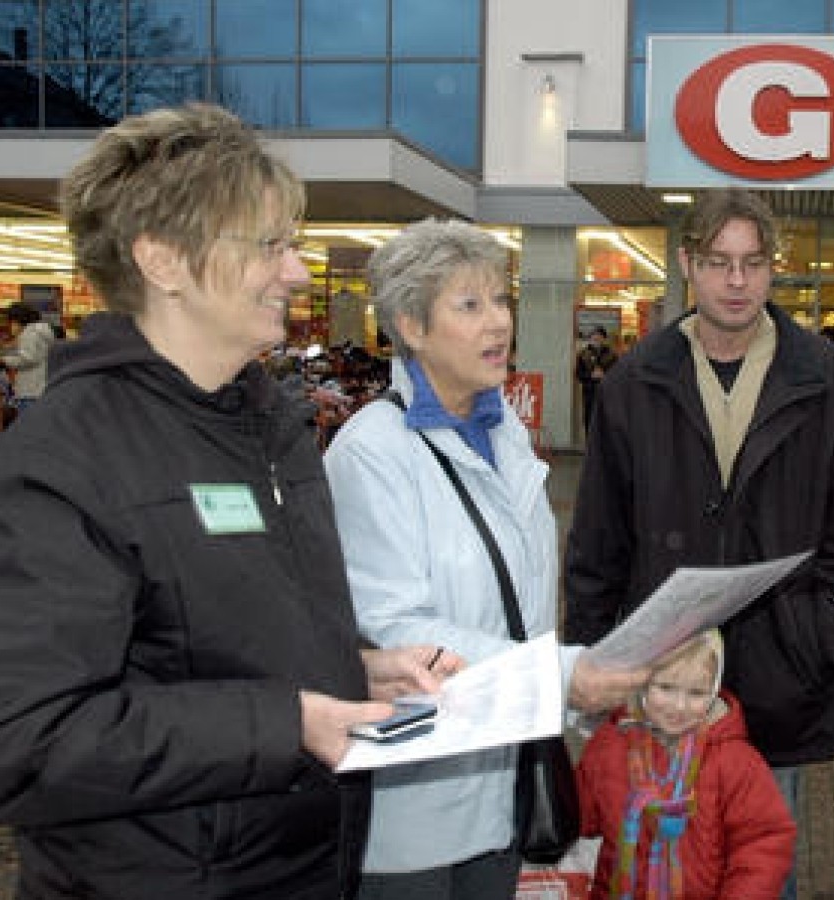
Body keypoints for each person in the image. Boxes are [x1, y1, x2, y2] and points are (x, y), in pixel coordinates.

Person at [0, 103, 452, 900]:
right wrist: (290, 723)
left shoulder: (272, 428)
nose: (297, 271)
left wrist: (348, 672)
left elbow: (202, 647)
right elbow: (11, 747)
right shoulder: (58, 465)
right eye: (270, 245)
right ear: (163, 260)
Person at [563, 186, 834, 900]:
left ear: (775, 267)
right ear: (687, 264)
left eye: (752, 262)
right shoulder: (635, 380)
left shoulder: (824, 378)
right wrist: (589, 667)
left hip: (777, 683)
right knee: (648, 871)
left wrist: (823, 636)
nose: (736, 281)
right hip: (658, 689)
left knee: (760, 870)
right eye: (717, 262)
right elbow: (598, 540)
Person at [322, 218, 648, 900]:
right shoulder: (371, 451)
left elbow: (522, 608)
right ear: (411, 326)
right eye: (470, 305)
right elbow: (394, 626)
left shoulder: (505, 437)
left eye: (501, 299)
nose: (498, 321)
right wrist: (562, 676)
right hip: (411, 805)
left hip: (501, 787)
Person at [577, 630, 795, 900]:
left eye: (697, 693)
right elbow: (577, 816)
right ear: (642, 682)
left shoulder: (735, 761)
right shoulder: (610, 745)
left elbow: (763, 843)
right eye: (666, 687)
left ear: (715, 691)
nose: (679, 706)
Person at [1, 300, 57, 409]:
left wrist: (3, 360)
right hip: (39, 388)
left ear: (17, 320)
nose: (10, 326)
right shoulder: (39, 332)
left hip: (30, 390)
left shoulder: (29, 333)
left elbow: (27, 358)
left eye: (11, 322)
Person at [575, 324, 619, 438]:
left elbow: (618, 374)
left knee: (605, 419)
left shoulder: (612, 355)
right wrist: (590, 375)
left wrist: (605, 375)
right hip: (589, 392)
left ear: (604, 339)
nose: (596, 339)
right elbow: (578, 374)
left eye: (599, 337)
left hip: (607, 393)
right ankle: (590, 445)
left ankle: (604, 446)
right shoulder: (583, 354)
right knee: (589, 418)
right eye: (594, 337)